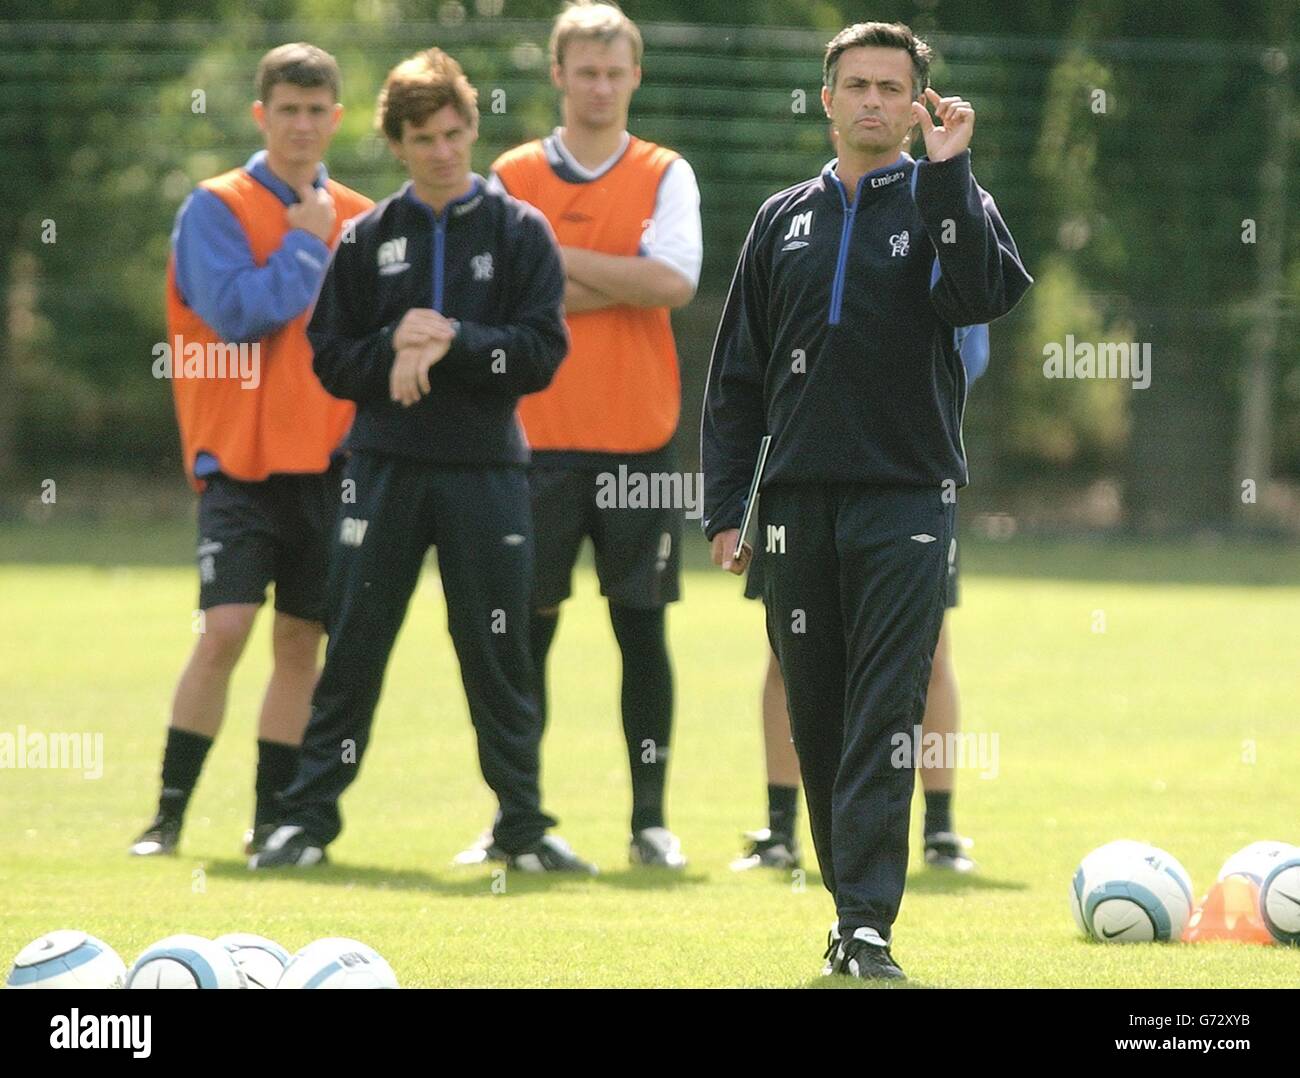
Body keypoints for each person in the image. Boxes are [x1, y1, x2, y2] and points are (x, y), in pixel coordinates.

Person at [702, 22, 1031, 979]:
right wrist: (728, 509)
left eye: (894, 87)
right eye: (858, 85)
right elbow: (737, 380)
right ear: (828, 97)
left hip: (906, 501)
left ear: (919, 104)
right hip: (797, 506)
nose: (875, 101)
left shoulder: (944, 198)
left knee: (888, 710)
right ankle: (850, 918)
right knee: (818, 718)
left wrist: (949, 175)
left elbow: (978, 293)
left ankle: (867, 925)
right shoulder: (780, 220)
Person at [251, 47, 595, 874]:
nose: (442, 149)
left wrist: (450, 340)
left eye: (453, 132)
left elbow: (544, 352)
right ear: (396, 144)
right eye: (422, 137)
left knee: (497, 652)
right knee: (356, 646)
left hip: (486, 471)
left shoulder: (520, 232)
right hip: (383, 466)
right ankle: (305, 823)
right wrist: (392, 344)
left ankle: (521, 826)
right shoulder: (368, 237)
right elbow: (330, 357)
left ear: (472, 128)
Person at [456, 0, 702, 870]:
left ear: (635, 75)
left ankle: (649, 823)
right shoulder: (512, 172)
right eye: (584, 71)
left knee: (643, 632)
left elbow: (673, 281)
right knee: (524, 634)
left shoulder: (666, 171)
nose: (600, 86)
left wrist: (550, 265)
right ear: (557, 76)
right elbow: (489, 299)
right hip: (532, 441)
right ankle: (515, 817)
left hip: (641, 442)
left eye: (615, 71)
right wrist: (619, 279)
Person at [132, 43, 372, 858]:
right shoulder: (214, 207)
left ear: (336, 119)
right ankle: (166, 816)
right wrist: (306, 245)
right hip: (236, 464)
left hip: (330, 469)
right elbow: (237, 315)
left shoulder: (363, 215)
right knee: (225, 628)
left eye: (317, 112)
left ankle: (272, 822)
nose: (302, 126)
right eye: (287, 111)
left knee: (301, 642)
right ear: (260, 115)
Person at [731, 325, 989, 876]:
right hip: (802, 473)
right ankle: (780, 829)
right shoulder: (792, 239)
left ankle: (939, 830)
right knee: (786, 655)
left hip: (905, 476)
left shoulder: (936, 240)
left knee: (932, 653)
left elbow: (971, 349)